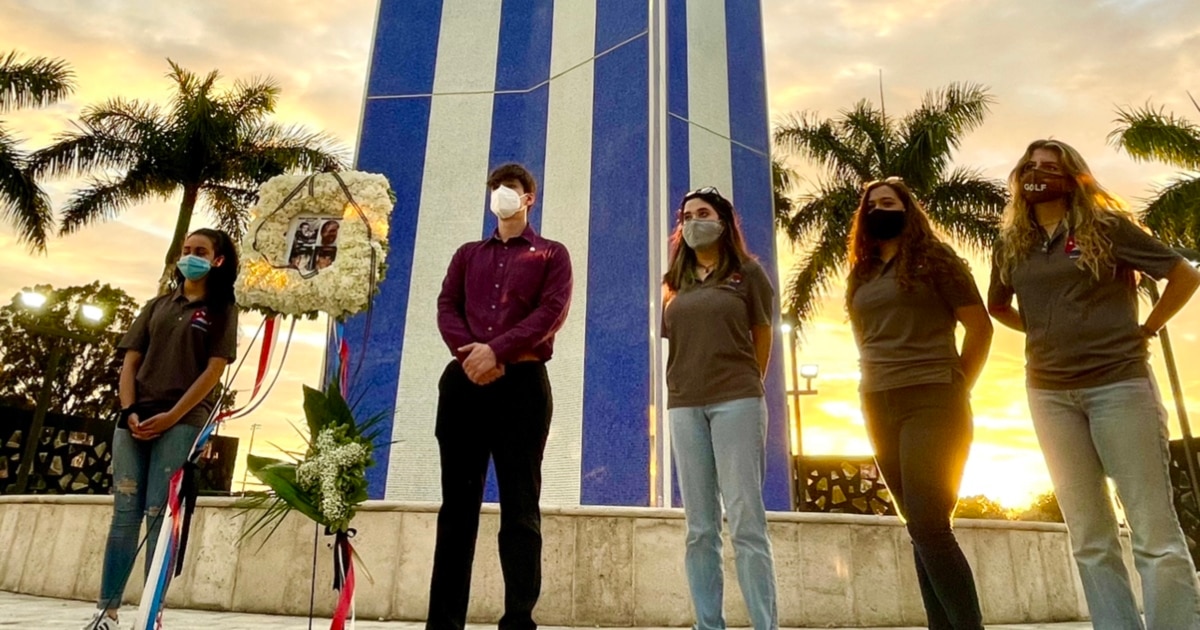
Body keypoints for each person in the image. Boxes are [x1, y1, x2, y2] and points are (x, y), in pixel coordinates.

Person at [988, 139, 1200, 629]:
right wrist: (1044, 329)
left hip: (1119, 385)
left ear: (1072, 177)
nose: (1038, 174)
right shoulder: (1012, 242)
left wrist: (1147, 329)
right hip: (1049, 394)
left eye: (1051, 167)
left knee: (1153, 531)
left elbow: (1182, 275)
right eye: (1031, 166)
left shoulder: (1106, 228)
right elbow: (997, 306)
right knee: (1089, 535)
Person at [428, 163, 572, 630]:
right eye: (495, 187)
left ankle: (518, 620)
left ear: (529, 197)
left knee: (520, 508)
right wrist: (471, 355)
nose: (501, 194)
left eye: (510, 187)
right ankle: (444, 622)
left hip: (523, 389)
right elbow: (447, 306)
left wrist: (496, 351)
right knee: (457, 511)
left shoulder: (552, 254)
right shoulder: (468, 254)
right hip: (464, 387)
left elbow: (551, 312)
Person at [847, 178, 991, 630]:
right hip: (878, 401)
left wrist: (956, 384)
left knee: (930, 524)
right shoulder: (862, 272)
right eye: (872, 205)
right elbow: (864, 338)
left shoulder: (937, 261)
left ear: (909, 211)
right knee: (918, 529)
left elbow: (981, 328)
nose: (879, 210)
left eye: (889, 203)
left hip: (934, 398)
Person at [84, 228, 239, 630]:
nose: (190, 256)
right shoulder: (156, 306)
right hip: (134, 420)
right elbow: (130, 363)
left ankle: (150, 614)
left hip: (182, 422)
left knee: (159, 512)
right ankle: (107, 610)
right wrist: (130, 409)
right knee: (124, 513)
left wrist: (172, 417)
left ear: (217, 260)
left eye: (200, 251)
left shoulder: (222, 310)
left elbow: (214, 370)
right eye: (186, 250)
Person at [661, 186, 779, 630]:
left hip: (738, 402)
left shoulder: (748, 274)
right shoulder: (675, 282)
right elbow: (677, 341)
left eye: (702, 213)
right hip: (685, 406)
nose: (693, 221)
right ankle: (708, 624)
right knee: (700, 528)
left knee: (747, 522)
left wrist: (746, 385)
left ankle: (766, 624)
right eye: (686, 215)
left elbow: (761, 337)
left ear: (724, 222)